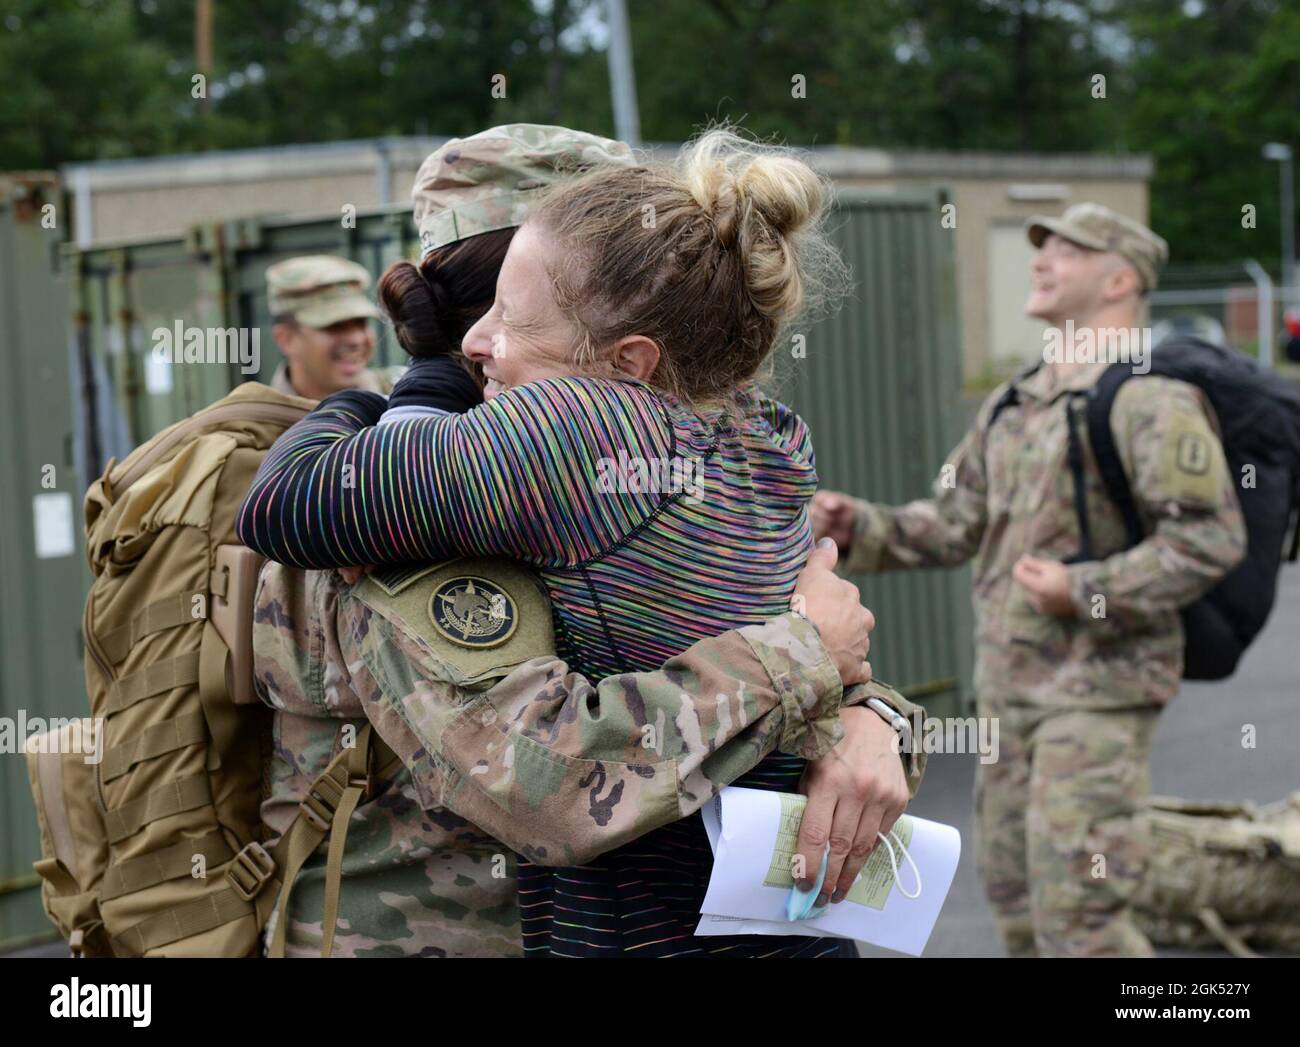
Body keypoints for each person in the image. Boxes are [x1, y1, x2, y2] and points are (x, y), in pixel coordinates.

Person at [238, 126, 914, 957]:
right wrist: (823, 673)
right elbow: (549, 784)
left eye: (519, 311)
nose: (489, 337)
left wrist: (864, 713)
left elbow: (282, 502)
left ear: (628, 346)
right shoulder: (765, 431)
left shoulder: (553, 438)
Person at [813, 202, 1248, 957]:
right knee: (1016, 908)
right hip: (1009, 694)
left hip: (1098, 694)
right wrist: (861, 527)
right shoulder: (1017, 399)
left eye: (1067, 251)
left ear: (1120, 278)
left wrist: (1080, 588)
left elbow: (1212, 538)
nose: (1041, 261)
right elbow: (956, 523)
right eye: (1040, 249)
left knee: (1082, 919)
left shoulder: (1149, 396)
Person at [265, 255, 405, 398]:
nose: (355, 339)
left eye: (361, 322)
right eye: (334, 326)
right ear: (286, 339)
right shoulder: (257, 417)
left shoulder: (404, 395)